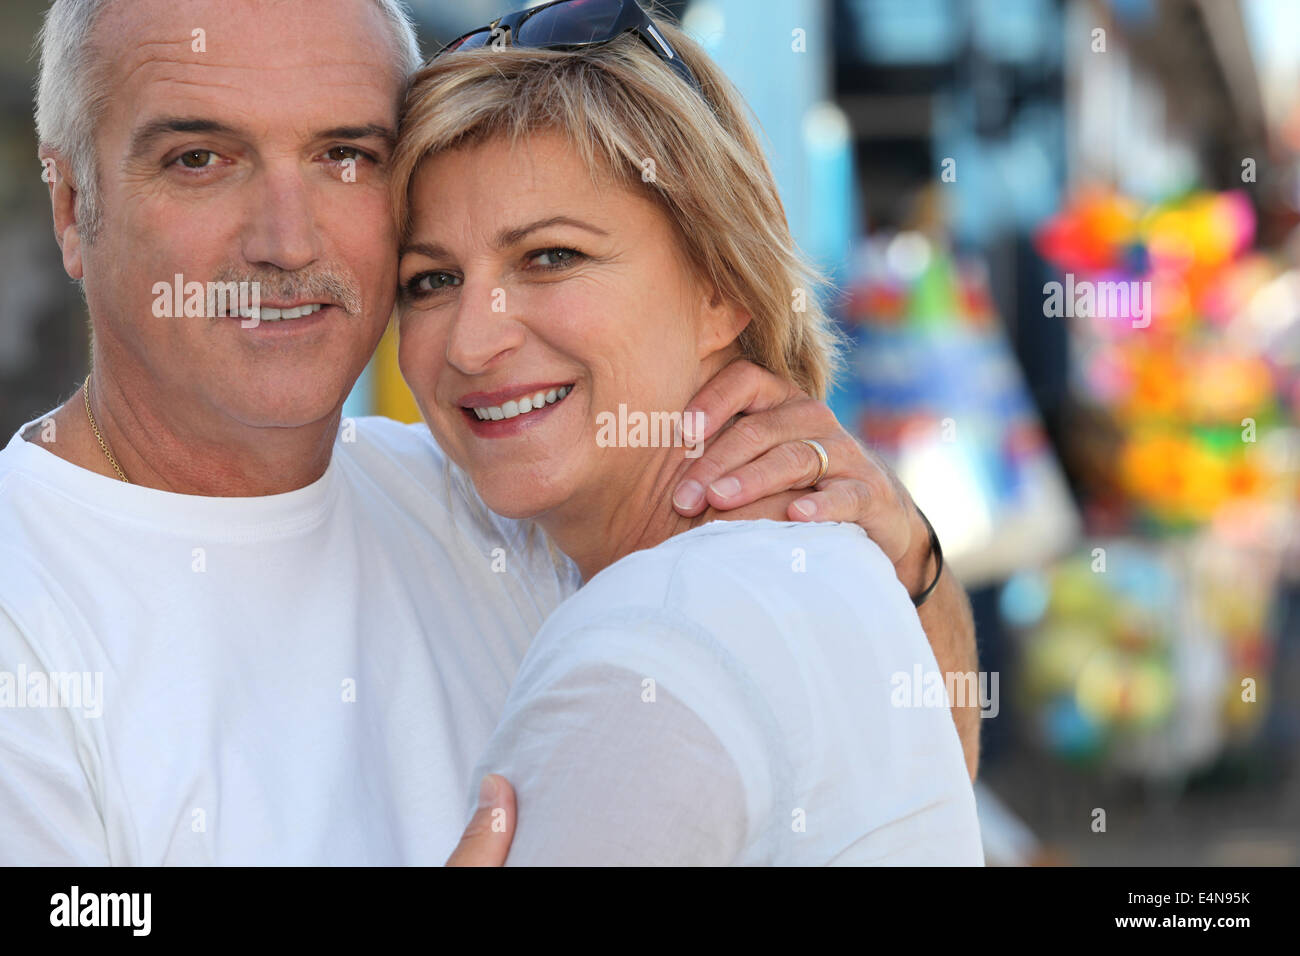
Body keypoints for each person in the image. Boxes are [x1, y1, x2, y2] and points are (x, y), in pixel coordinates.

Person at [0, 0, 975, 866]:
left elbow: (899, 775)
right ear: (74, 209)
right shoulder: (26, 610)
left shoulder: (502, 496)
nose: (286, 240)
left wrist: (905, 558)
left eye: (346, 155)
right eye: (200, 159)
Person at [391, 0, 983, 864]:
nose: (473, 340)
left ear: (724, 286)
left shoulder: (646, 645)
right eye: (430, 279)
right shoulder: (819, 564)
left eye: (551, 258)